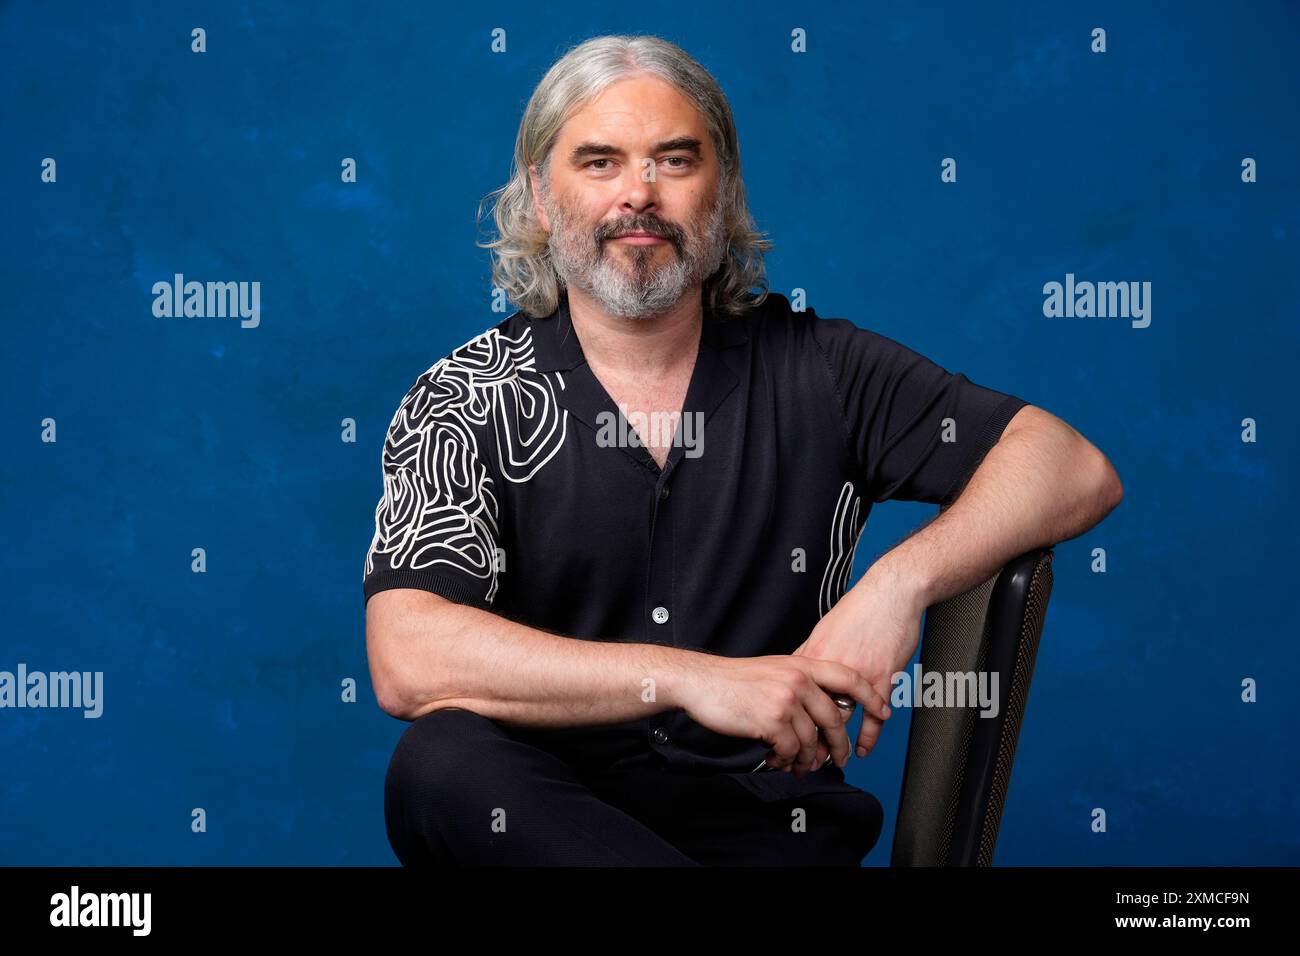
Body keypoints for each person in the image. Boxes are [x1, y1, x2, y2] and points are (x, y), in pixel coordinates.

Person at [362, 35, 1123, 866]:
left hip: (766, 827)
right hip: (550, 829)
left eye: (675, 161)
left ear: (721, 192)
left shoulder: (823, 369)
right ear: (542, 196)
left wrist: (897, 584)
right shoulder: (466, 396)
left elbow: (1069, 464)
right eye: (600, 163)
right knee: (439, 765)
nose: (639, 195)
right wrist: (690, 676)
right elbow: (408, 656)